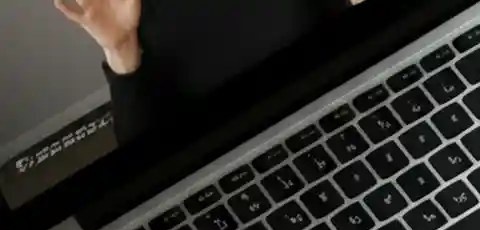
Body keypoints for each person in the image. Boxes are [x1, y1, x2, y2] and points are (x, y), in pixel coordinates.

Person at [54, 0, 351, 144]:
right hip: (234, 182)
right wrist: (121, 48)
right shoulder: (131, 8)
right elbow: (147, 166)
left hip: (340, 118)